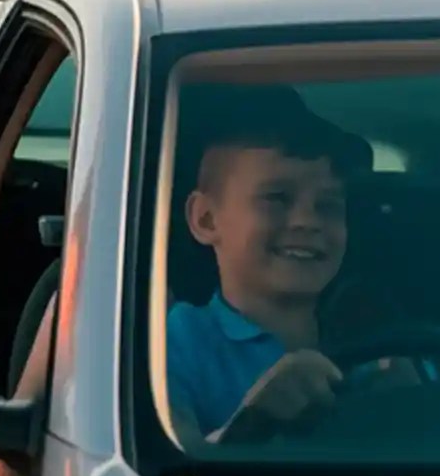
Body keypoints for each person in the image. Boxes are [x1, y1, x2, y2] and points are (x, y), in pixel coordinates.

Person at [166, 85, 425, 447]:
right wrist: (251, 425)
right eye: (277, 198)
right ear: (206, 219)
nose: (307, 221)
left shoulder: (380, 335)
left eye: (328, 206)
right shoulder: (175, 341)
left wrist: (416, 406)